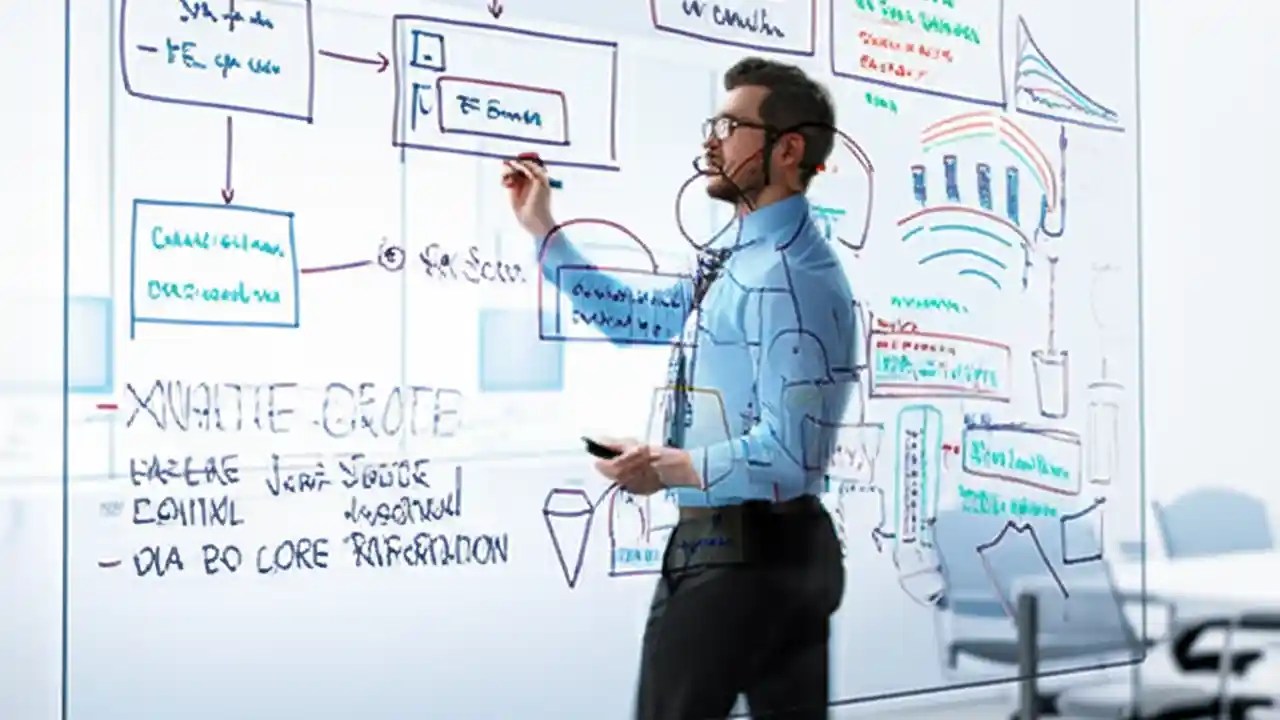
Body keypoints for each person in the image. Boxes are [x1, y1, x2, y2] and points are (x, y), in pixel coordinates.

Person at [503, 57, 855, 720]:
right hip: (762, 548)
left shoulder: (793, 277)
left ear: (787, 149)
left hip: (742, 553)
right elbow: (640, 322)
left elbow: (792, 455)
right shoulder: (735, 254)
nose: (711, 141)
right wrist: (543, 231)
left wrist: (667, 468)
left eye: (731, 125)